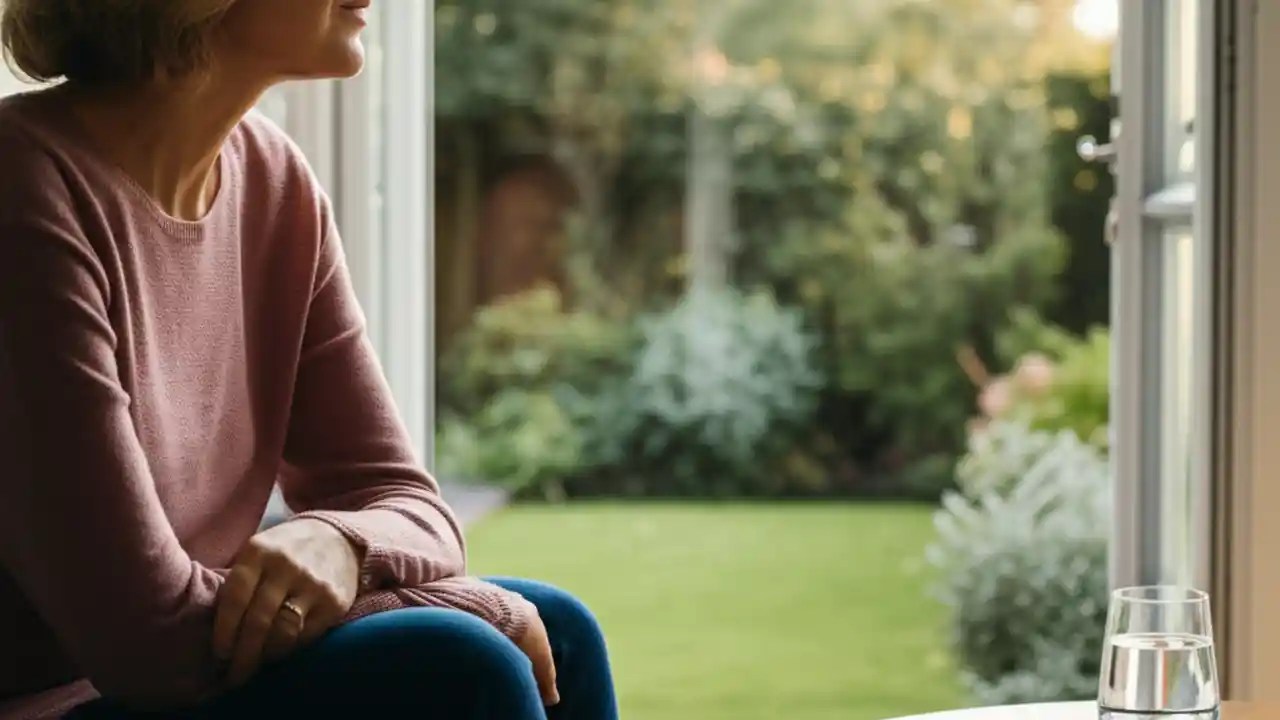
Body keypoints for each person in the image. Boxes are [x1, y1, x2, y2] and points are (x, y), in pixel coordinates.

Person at [0, 1, 618, 718]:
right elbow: (147, 639)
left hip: (169, 667)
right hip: (62, 698)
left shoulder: (274, 181)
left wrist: (341, 541)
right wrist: (453, 601)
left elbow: (412, 506)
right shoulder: (24, 195)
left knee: (560, 628)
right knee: (467, 656)